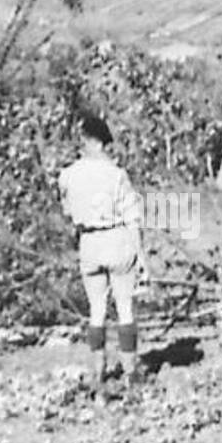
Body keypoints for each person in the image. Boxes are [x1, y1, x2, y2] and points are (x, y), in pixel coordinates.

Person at [58, 112, 144, 387]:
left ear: (84, 142)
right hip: (117, 239)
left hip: (89, 243)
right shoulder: (117, 174)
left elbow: (68, 212)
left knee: (96, 309)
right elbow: (133, 218)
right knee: (125, 307)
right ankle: (130, 373)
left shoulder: (67, 175)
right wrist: (141, 256)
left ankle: (99, 372)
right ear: (99, 143)